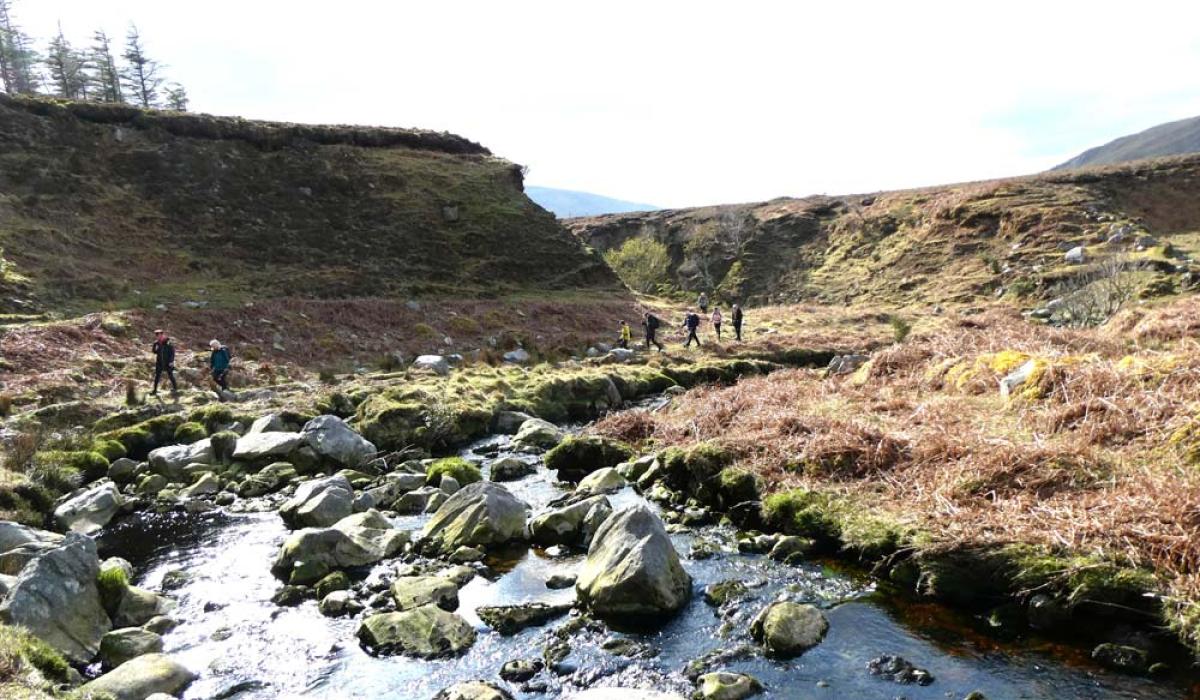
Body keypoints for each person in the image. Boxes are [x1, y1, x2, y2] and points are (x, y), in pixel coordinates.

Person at [151, 329, 177, 396]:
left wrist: (171, 361)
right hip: (159, 362)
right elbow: (154, 352)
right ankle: (154, 390)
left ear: (162, 334)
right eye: (156, 335)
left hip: (168, 362)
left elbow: (172, 352)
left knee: (170, 375)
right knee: (157, 376)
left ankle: (175, 388)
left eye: (158, 334)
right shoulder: (157, 343)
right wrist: (154, 346)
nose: (157, 336)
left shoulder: (168, 342)